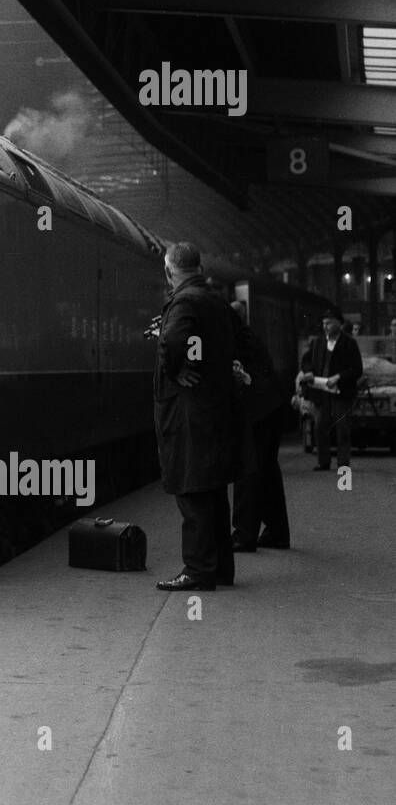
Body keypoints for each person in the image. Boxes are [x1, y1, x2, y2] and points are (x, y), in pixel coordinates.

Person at [153, 243, 238, 590]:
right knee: (213, 491)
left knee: (191, 491)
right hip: (213, 407)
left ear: (170, 270)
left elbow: (173, 342)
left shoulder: (184, 300)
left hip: (189, 410)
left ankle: (198, 569)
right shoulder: (214, 298)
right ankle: (220, 568)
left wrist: (174, 371)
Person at [229, 303, 290, 551]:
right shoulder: (248, 336)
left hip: (258, 412)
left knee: (249, 471)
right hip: (269, 409)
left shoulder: (236, 339)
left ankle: (245, 535)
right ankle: (277, 532)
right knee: (267, 473)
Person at [299, 307, 363, 471]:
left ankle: (343, 463)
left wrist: (339, 377)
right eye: (323, 323)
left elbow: (357, 369)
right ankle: (323, 461)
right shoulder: (318, 342)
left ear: (339, 324)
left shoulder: (349, 343)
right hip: (321, 392)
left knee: (342, 428)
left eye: (328, 323)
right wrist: (309, 372)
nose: (325, 326)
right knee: (320, 426)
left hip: (341, 392)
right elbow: (306, 361)